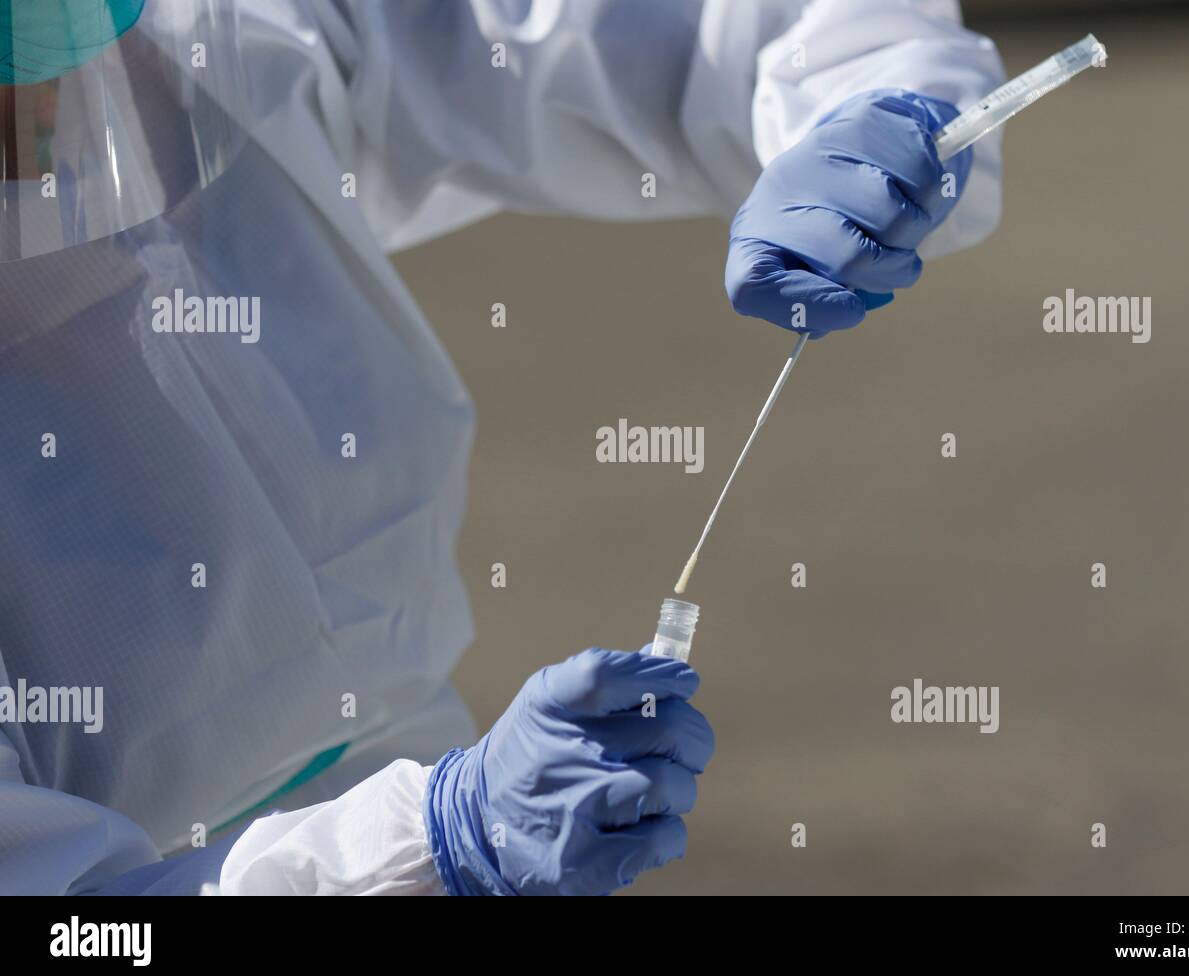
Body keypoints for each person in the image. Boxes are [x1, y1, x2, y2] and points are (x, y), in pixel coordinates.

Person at [0, 0, 1003, 895]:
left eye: (69, 47)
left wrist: (874, 114)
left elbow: (673, 26)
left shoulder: (209, 38)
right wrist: (432, 845)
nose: (59, 124)